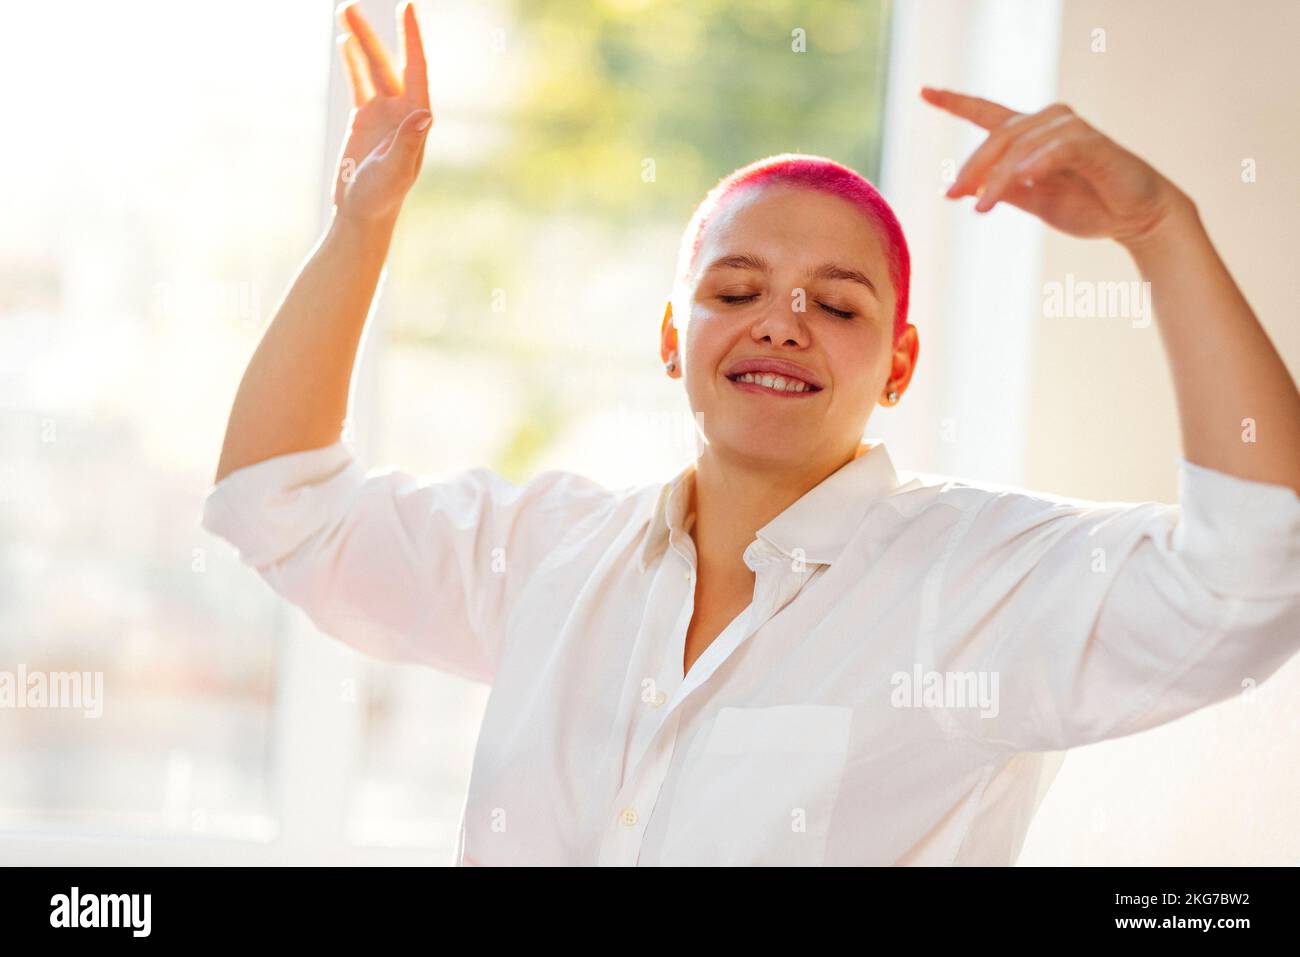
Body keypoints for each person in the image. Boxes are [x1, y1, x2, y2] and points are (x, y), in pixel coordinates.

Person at [201, 2, 1300, 865]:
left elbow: (1254, 577)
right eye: (737, 289)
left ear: (898, 366)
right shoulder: (548, 554)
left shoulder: (980, 585)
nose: (782, 321)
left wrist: (1161, 231)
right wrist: (362, 225)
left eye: (837, 304)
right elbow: (278, 504)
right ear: (674, 338)